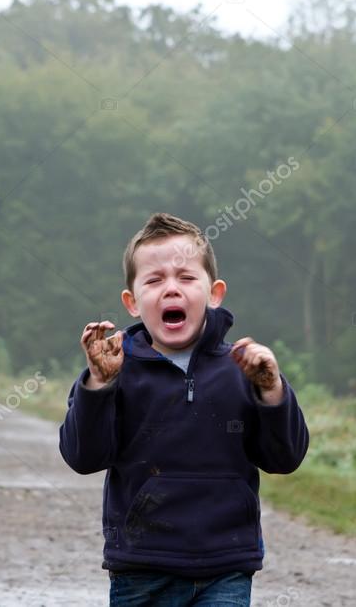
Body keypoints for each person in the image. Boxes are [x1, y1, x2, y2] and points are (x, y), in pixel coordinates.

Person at [59, 212, 310, 606]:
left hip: (226, 566)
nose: (171, 289)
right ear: (132, 301)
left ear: (214, 293)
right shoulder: (116, 372)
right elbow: (83, 457)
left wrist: (272, 390)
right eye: (155, 280)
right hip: (142, 567)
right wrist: (98, 385)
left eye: (187, 277)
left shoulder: (242, 370)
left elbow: (285, 457)